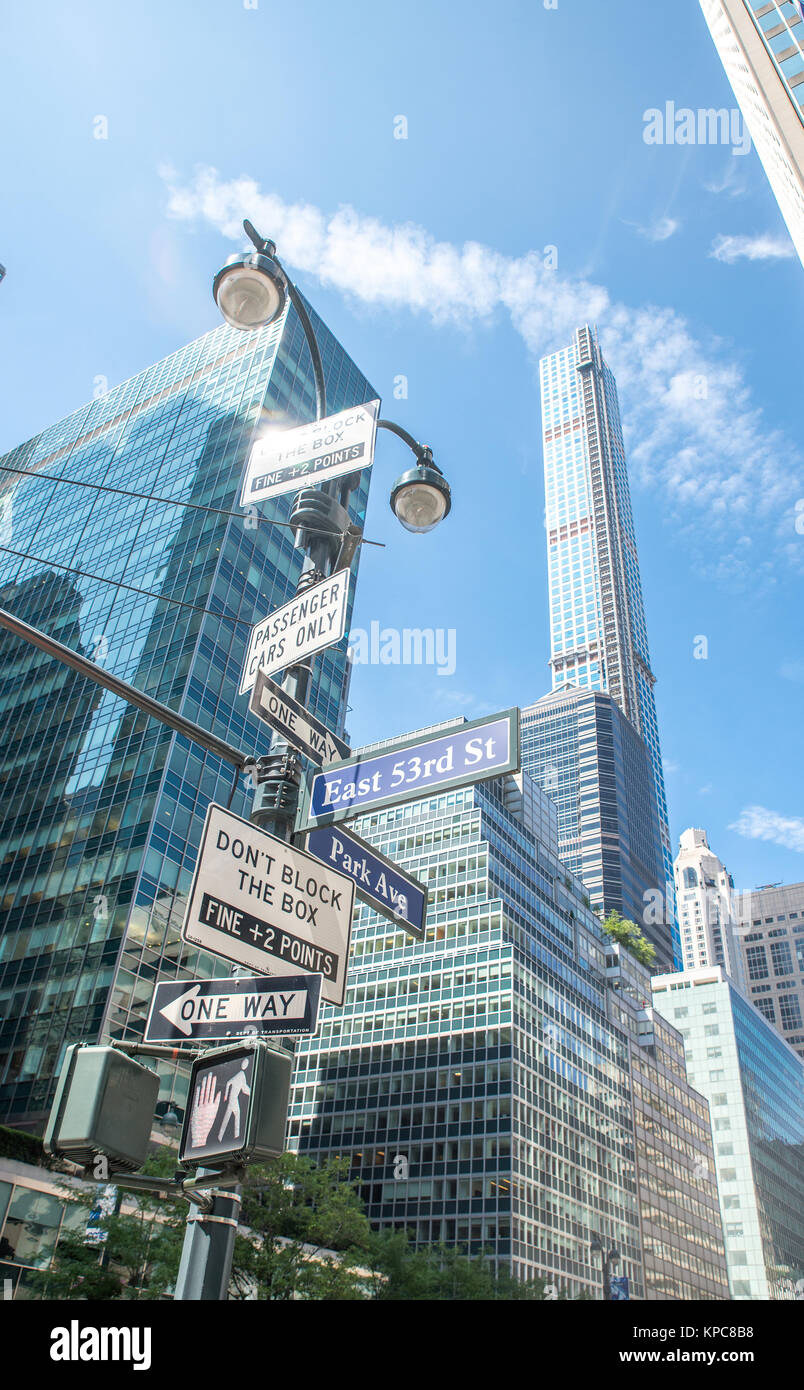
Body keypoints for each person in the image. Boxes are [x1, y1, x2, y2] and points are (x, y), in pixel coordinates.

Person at [218, 1059, 251, 1142]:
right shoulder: (241, 1075)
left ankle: (220, 1136)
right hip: (233, 1098)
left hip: (232, 1098)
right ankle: (236, 1136)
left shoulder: (241, 1075)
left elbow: (243, 1088)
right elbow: (243, 1088)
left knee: (228, 1116)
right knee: (237, 1114)